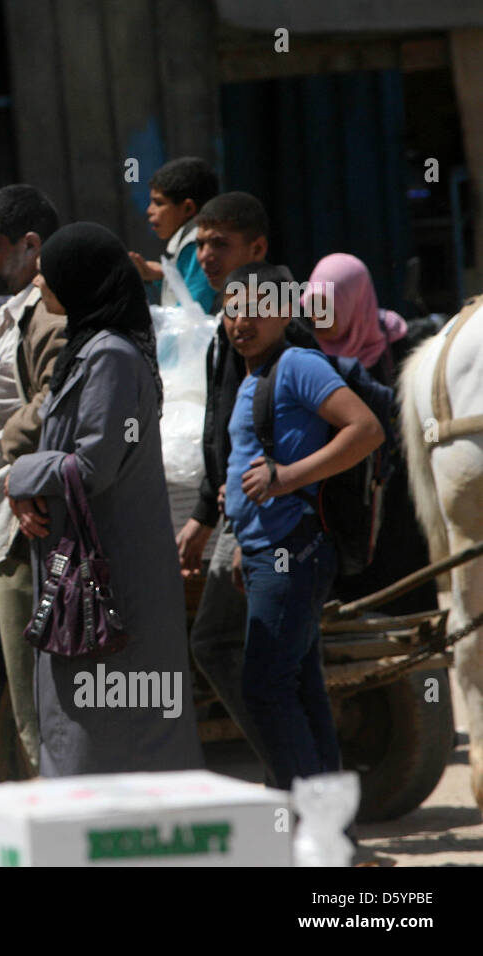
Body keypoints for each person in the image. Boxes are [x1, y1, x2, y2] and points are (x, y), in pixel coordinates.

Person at [6, 222, 203, 777]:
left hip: (114, 576)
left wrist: (21, 473)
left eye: (50, 269)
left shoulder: (110, 357)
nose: (40, 278)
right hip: (87, 566)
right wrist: (30, 489)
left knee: (117, 733)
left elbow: (94, 464)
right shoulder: (89, 348)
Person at [222, 263, 384, 787]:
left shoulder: (297, 364)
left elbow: (366, 429)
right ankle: (330, 834)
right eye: (232, 307)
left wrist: (287, 478)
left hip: (295, 550)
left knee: (266, 688)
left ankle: (307, 824)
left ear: (285, 310)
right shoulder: (253, 373)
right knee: (301, 689)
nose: (240, 320)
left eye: (255, 307)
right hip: (267, 550)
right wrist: (242, 535)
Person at [175, 193, 319, 783]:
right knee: (291, 667)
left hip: (273, 523)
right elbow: (225, 433)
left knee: (216, 644)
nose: (206, 255)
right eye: (201, 243)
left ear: (258, 249)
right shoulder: (230, 324)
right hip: (245, 518)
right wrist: (207, 514)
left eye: (220, 244)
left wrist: (246, 534)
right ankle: (310, 792)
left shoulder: (283, 335)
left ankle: (294, 781)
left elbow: (289, 439)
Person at [0, 185, 68, 778]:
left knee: (38, 710)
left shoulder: (49, 313)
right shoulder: (11, 312)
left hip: (30, 528)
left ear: (31, 246)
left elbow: (58, 402)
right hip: (7, 527)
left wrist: (11, 454)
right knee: (32, 709)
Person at [302, 252, 434, 616]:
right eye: (312, 306)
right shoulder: (303, 353)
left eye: (328, 306)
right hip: (335, 497)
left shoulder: (401, 348)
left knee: (403, 597)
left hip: (395, 499)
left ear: (355, 300)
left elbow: (426, 419)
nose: (318, 318)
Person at [128, 157, 219, 313]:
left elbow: (193, 312)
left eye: (158, 203)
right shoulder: (186, 241)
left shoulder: (195, 243)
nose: (149, 211)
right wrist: (161, 275)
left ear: (188, 208)